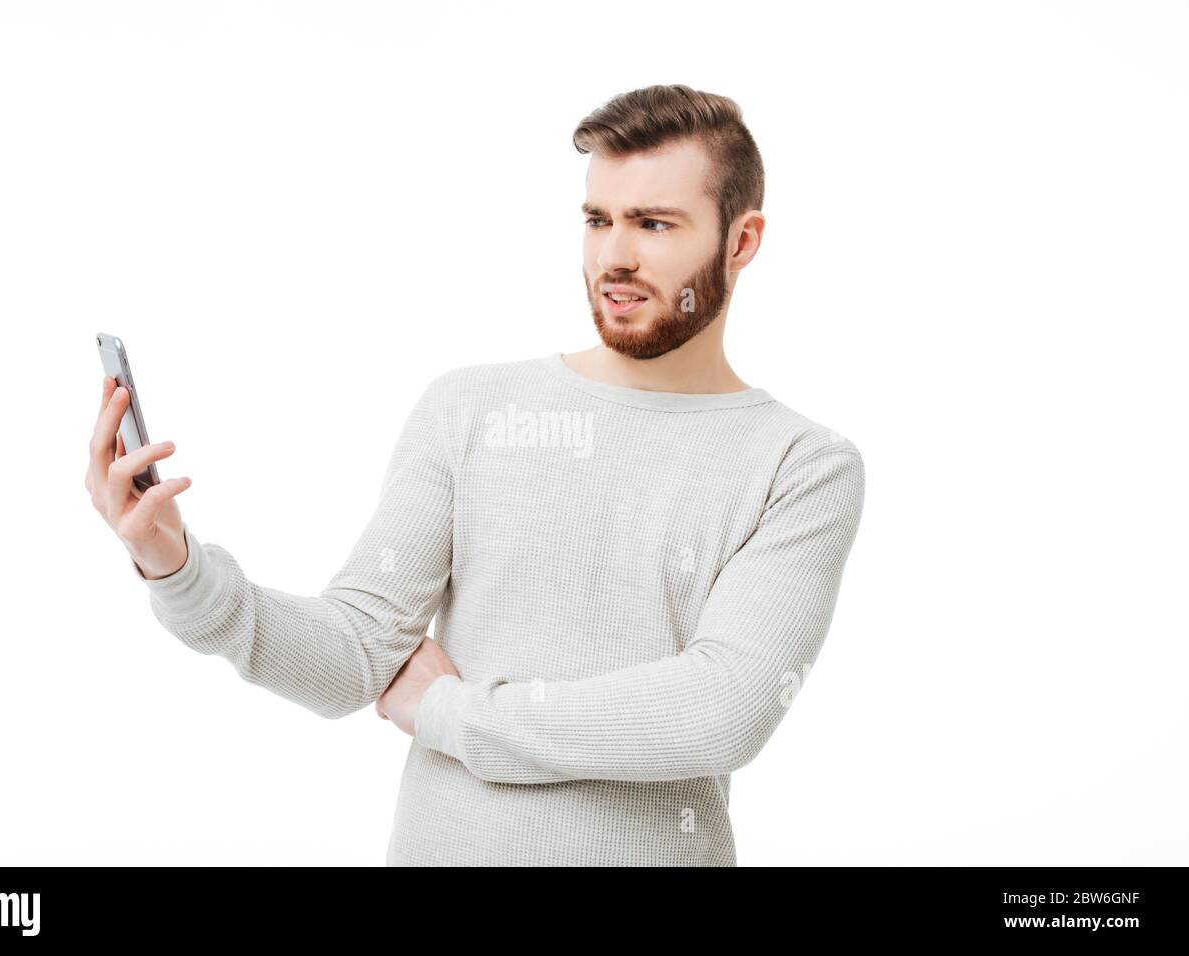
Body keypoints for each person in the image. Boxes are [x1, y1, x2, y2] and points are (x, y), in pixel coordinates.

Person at [84, 83, 866, 866]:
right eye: (598, 220)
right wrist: (176, 567)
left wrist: (451, 712)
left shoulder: (802, 466)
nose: (614, 257)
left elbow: (719, 711)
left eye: (653, 224)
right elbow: (355, 653)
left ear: (742, 240)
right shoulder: (472, 409)